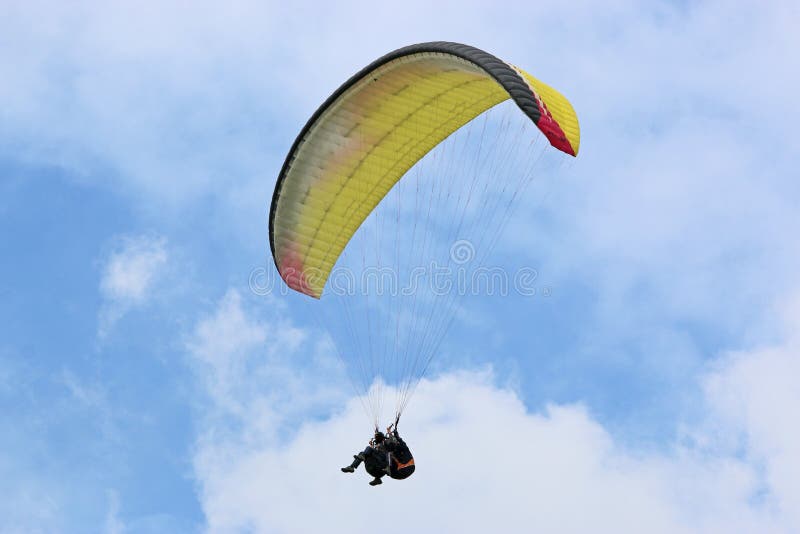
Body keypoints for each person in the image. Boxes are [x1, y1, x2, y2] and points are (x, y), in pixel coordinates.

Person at [341, 422, 415, 485]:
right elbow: (376, 454)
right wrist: (372, 445)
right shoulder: (384, 451)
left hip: (405, 468)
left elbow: (396, 442)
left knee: (383, 452)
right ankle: (353, 467)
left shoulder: (396, 448)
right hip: (394, 472)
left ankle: (375, 474)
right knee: (365, 453)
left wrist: (392, 433)